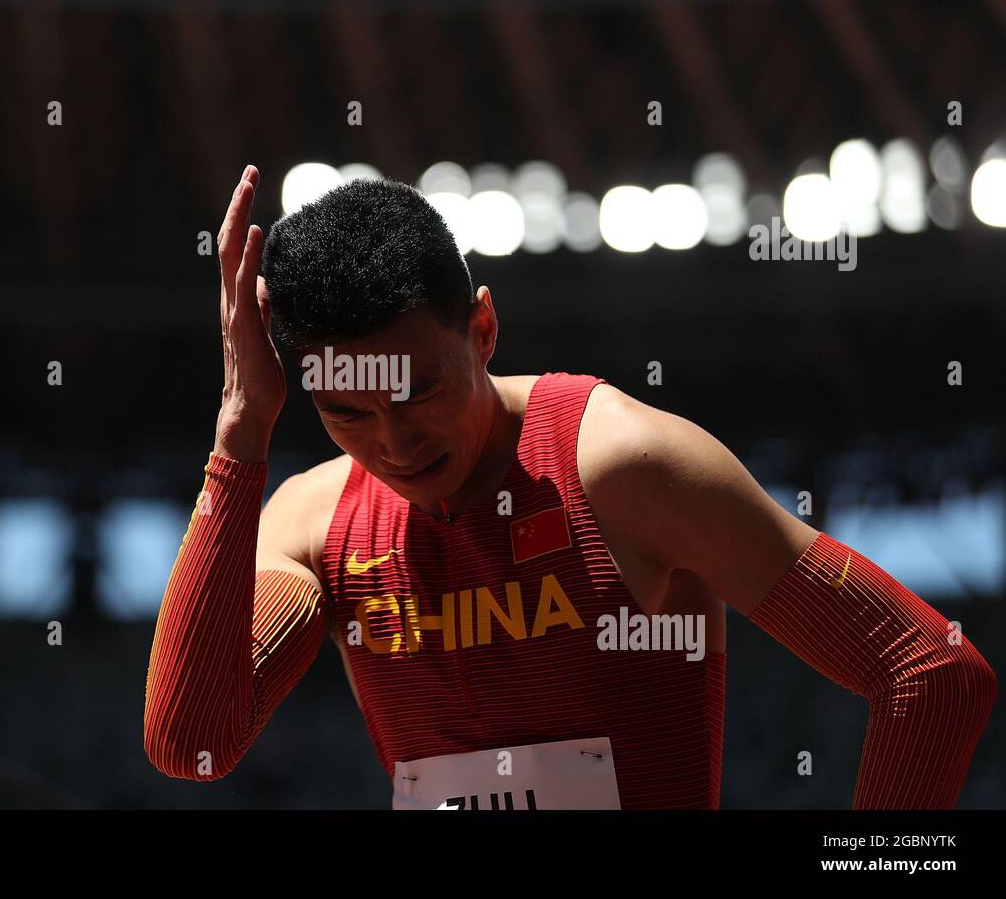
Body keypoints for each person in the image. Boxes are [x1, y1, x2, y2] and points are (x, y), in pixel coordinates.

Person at [143, 164, 997, 809]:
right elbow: (192, 745)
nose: (394, 442)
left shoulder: (625, 467)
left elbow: (931, 672)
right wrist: (238, 433)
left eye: (420, 391)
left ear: (482, 328)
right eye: (347, 411)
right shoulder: (310, 522)